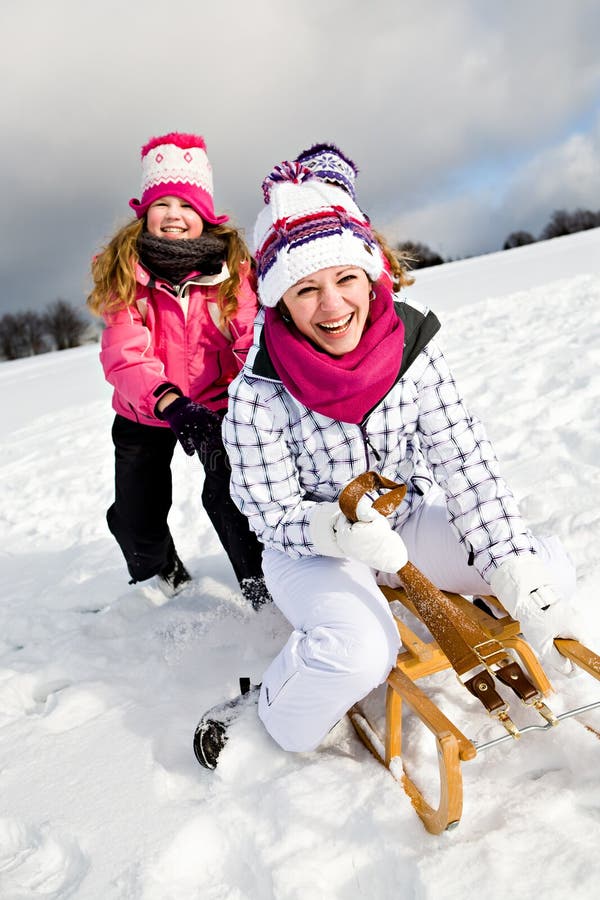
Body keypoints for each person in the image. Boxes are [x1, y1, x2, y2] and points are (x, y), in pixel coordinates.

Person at [194, 145, 582, 767]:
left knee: (544, 571)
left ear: (371, 274)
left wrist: (508, 561)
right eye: (306, 289)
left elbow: (467, 463)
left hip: (403, 526)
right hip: (311, 552)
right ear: (278, 301)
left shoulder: (414, 350)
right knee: (361, 655)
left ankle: (499, 584)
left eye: (346, 278)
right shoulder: (257, 390)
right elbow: (265, 510)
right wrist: (339, 530)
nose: (332, 306)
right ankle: (269, 701)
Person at [88, 132, 269, 608]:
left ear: (205, 215)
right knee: (137, 520)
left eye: (186, 205)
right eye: (161, 203)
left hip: (216, 409)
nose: (173, 215)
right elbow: (124, 352)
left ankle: (263, 590)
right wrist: (169, 401)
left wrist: (246, 402)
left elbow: (249, 338)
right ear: (144, 213)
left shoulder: (230, 271)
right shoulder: (127, 273)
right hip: (146, 411)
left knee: (231, 497)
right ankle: (159, 571)